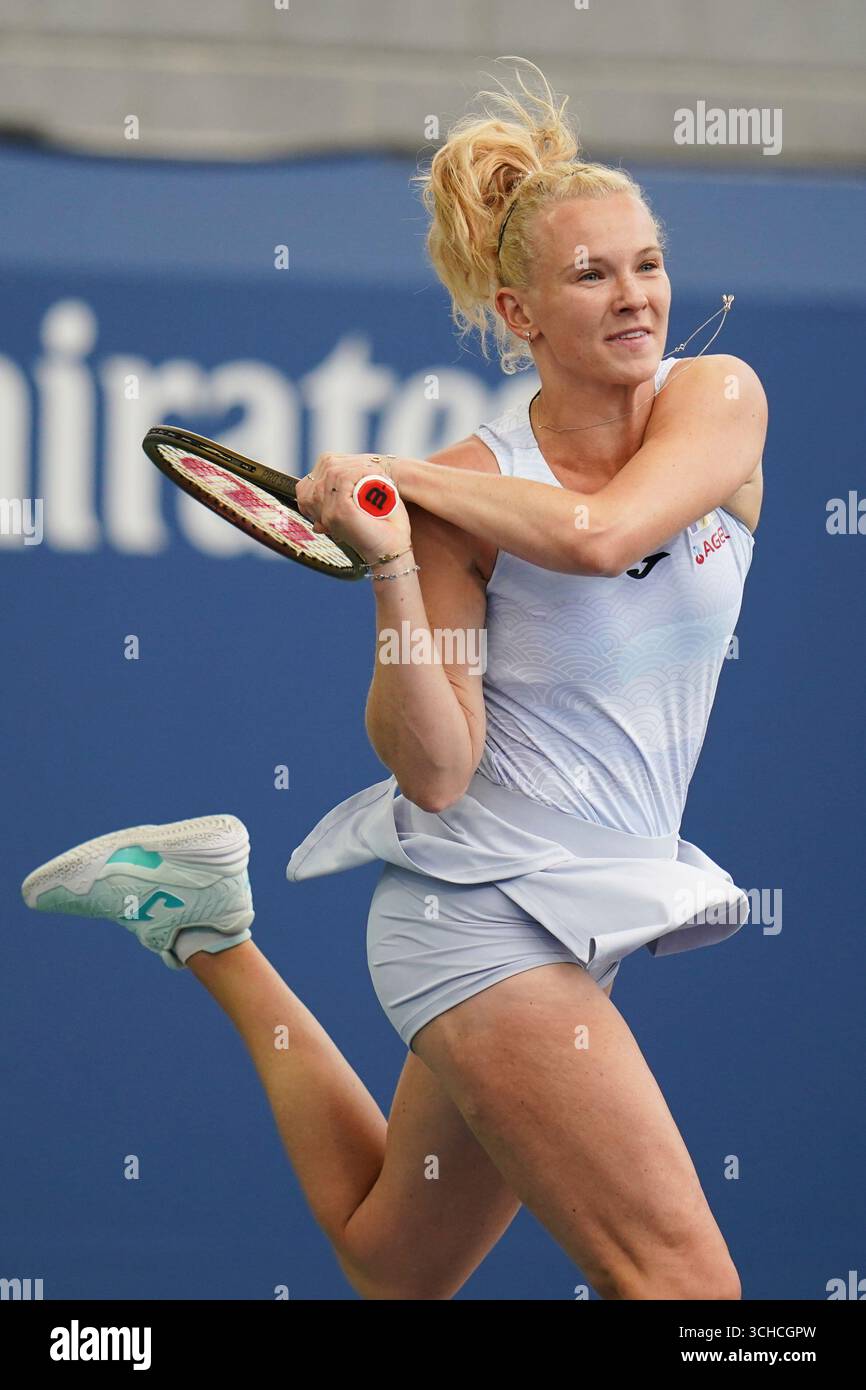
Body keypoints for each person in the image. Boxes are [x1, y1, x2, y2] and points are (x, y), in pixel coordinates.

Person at [22, 59, 766, 1300]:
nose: (635, 298)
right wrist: (392, 572)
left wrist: (405, 481)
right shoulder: (455, 494)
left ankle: (208, 928)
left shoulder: (714, 396)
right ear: (519, 315)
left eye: (646, 263)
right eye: (591, 275)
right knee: (690, 1296)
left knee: (391, 1261)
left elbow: (595, 536)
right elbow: (433, 768)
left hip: (590, 905)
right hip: (480, 915)